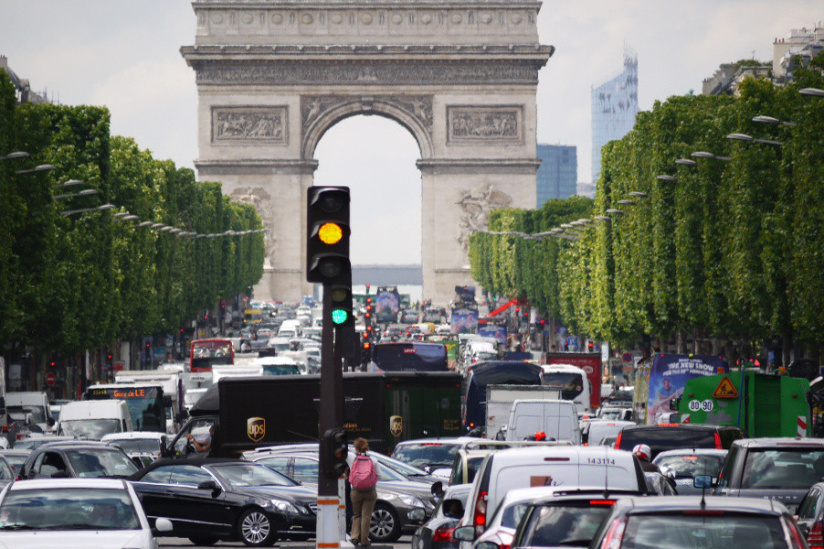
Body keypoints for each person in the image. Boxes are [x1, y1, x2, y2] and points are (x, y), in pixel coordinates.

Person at [349, 437, 380, 547]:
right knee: (366, 516)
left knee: (357, 515)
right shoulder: (373, 460)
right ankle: (364, 539)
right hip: (370, 492)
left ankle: (354, 537)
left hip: (356, 491)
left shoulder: (351, 458)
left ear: (355, 447)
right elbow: (379, 476)